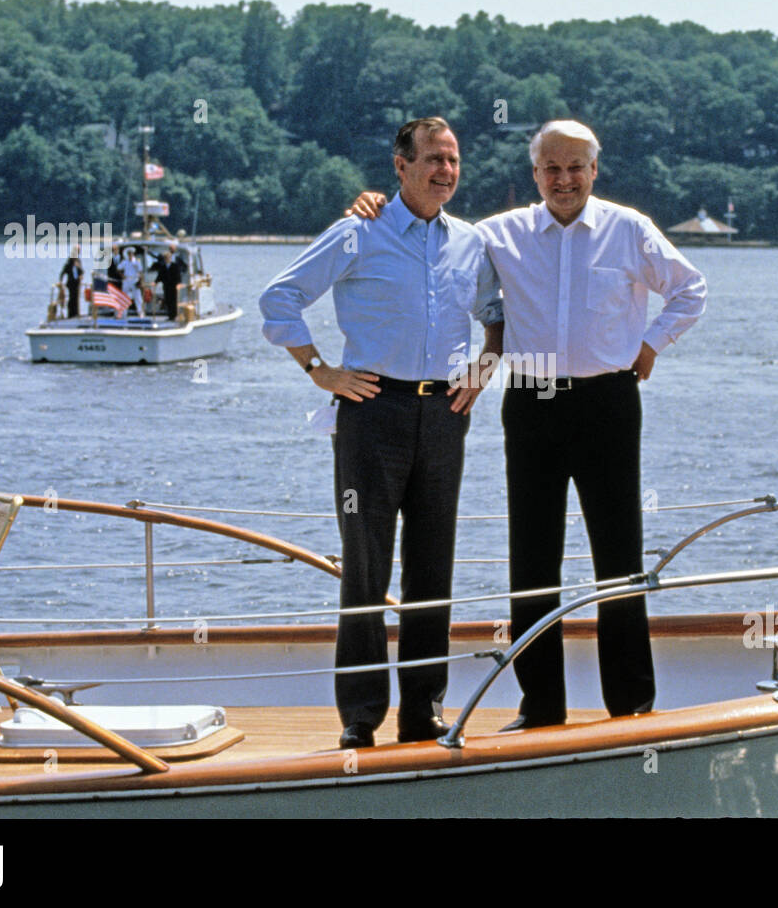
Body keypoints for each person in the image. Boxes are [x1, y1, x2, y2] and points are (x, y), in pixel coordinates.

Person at [349, 119, 706, 729]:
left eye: (575, 168)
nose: (563, 180)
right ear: (535, 173)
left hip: (609, 401)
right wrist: (373, 204)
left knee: (618, 558)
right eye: (551, 169)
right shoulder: (498, 234)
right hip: (533, 399)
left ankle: (631, 704)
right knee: (532, 560)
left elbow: (690, 290)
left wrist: (649, 347)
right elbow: (432, 229)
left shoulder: (628, 230)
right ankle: (541, 706)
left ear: (594, 171)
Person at [260, 117, 503, 749]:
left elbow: (496, 313)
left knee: (433, 568)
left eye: (452, 159)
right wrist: (320, 370)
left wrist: (487, 360)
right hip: (371, 412)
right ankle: (360, 718)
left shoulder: (471, 242)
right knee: (365, 568)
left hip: (446, 414)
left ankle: (422, 712)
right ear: (400, 166)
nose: (444, 170)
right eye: (431, 159)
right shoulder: (357, 232)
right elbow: (279, 298)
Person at [152, 245, 183, 320]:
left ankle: (174, 315)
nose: (166, 259)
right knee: (168, 300)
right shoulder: (163, 267)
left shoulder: (174, 266)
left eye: (168, 258)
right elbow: (160, 276)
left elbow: (178, 275)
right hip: (166, 286)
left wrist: (178, 283)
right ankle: (170, 315)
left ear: (170, 258)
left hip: (173, 285)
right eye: (165, 258)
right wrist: (155, 282)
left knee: (173, 300)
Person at [59, 248, 84, 318]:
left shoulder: (78, 261)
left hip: (77, 283)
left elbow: (82, 272)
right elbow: (63, 272)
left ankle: (76, 314)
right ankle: (70, 314)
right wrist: (61, 281)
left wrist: (78, 267)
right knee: (71, 299)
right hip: (70, 284)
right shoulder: (69, 262)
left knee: (76, 299)